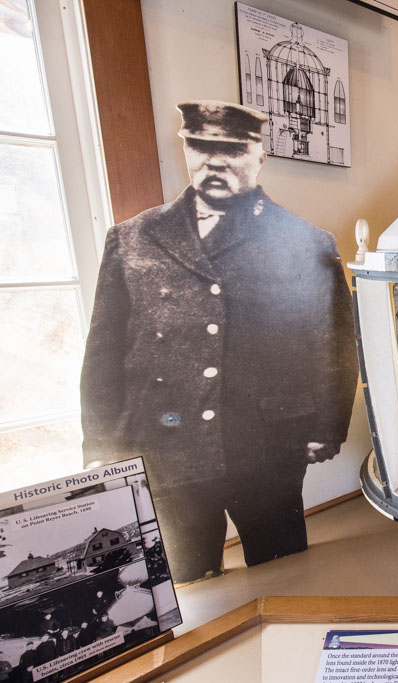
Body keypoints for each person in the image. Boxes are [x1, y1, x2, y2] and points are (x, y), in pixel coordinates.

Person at [80, 101, 358, 583]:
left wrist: (328, 425)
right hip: (167, 442)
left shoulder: (305, 241)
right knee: (185, 580)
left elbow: (335, 344)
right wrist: (103, 444)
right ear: (187, 150)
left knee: (284, 573)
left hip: (270, 444)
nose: (215, 161)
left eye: (231, 150)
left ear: (258, 156)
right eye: (202, 147)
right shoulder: (133, 238)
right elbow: (104, 351)